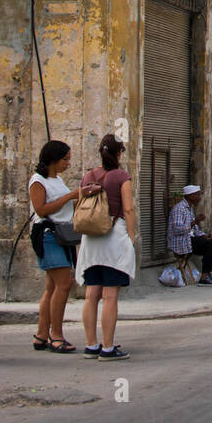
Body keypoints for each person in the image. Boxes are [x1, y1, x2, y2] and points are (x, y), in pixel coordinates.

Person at [75, 133, 136, 360]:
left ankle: (91, 345)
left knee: (91, 294)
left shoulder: (87, 176)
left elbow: (80, 204)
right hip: (113, 238)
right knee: (110, 296)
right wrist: (130, 236)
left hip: (91, 241)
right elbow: (128, 209)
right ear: (119, 153)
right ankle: (108, 348)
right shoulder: (121, 176)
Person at [28, 140, 82, 353]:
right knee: (64, 284)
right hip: (48, 234)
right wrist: (70, 196)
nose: (68, 164)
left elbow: (63, 207)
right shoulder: (38, 181)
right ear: (53, 159)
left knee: (52, 287)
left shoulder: (57, 180)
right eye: (65, 159)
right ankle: (56, 335)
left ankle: (41, 335)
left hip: (61, 234)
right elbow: (41, 209)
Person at [167, 186, 212, 284]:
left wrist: (203, 235)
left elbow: (194, 230)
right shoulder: (179, 209)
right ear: (190, 196)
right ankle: (204, 277)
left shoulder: (189, 209)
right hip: (181, 242)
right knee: (210, 245)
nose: (199, 197)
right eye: (197, 195)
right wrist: (195, 221)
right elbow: (177, 230)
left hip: (189, 239)